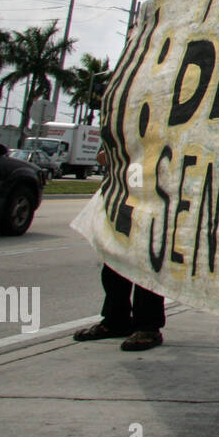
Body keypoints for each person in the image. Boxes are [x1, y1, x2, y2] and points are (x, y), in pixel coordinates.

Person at [73, 147, 165, 351]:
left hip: (154, 197)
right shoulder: (124, 121)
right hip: (122, 196)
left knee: (146, 262)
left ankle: (148, 326)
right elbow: (103, 157)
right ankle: (115, 320)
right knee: (114, 261)